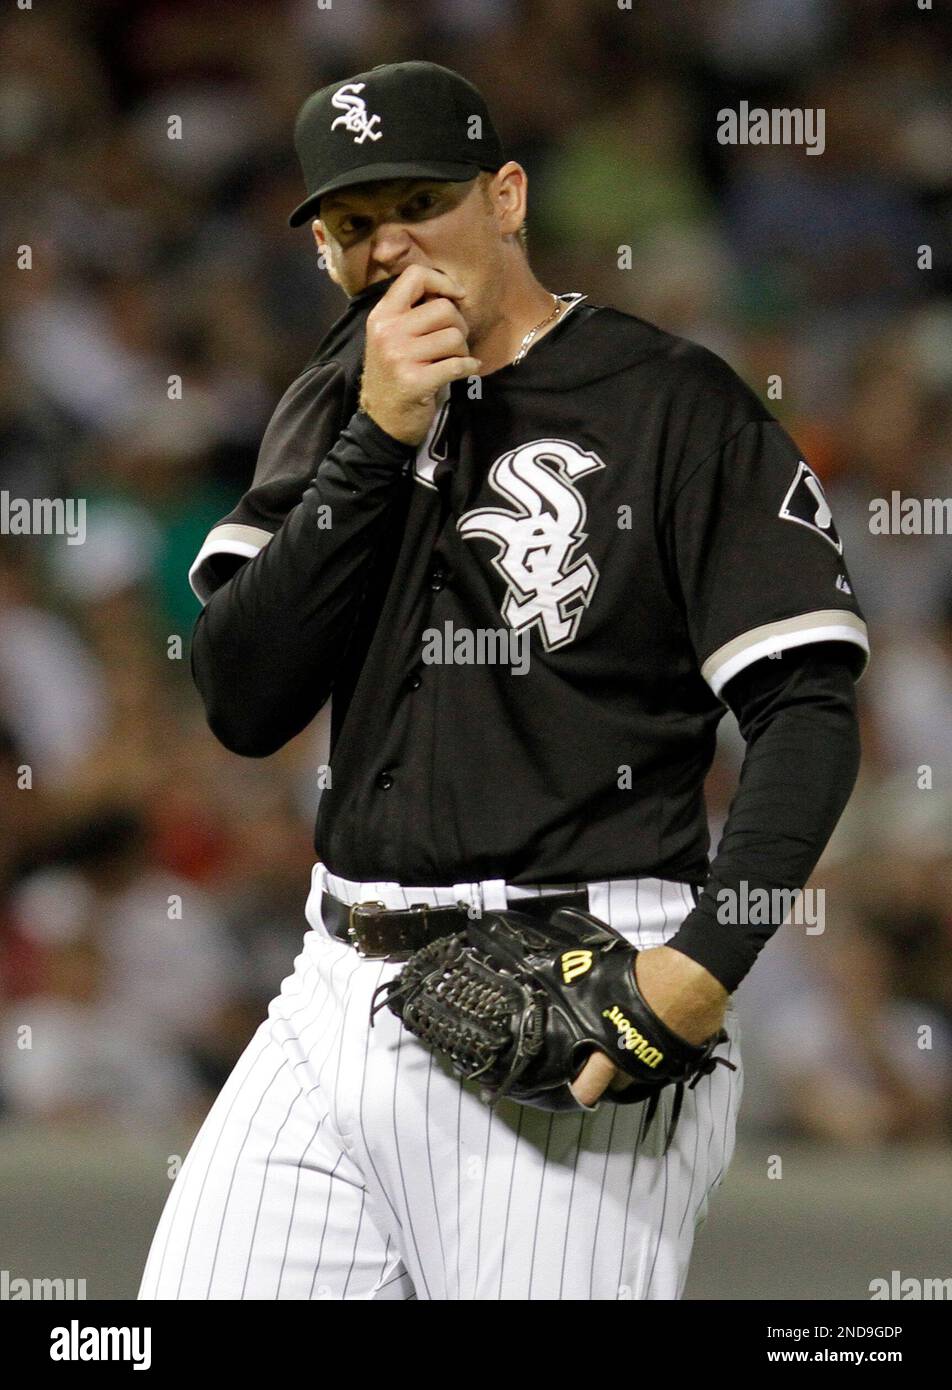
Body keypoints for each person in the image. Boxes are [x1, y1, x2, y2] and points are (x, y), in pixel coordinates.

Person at [138, 60, 868, 1301]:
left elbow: (805, 706)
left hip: (581, 973)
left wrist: (697, 972)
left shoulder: (668, 403)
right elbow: (241, 699)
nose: (390, 249)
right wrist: (375, 440)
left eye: (420, 202)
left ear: (509, 196)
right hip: (336, 984)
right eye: (352, 225)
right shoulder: (340, 397)